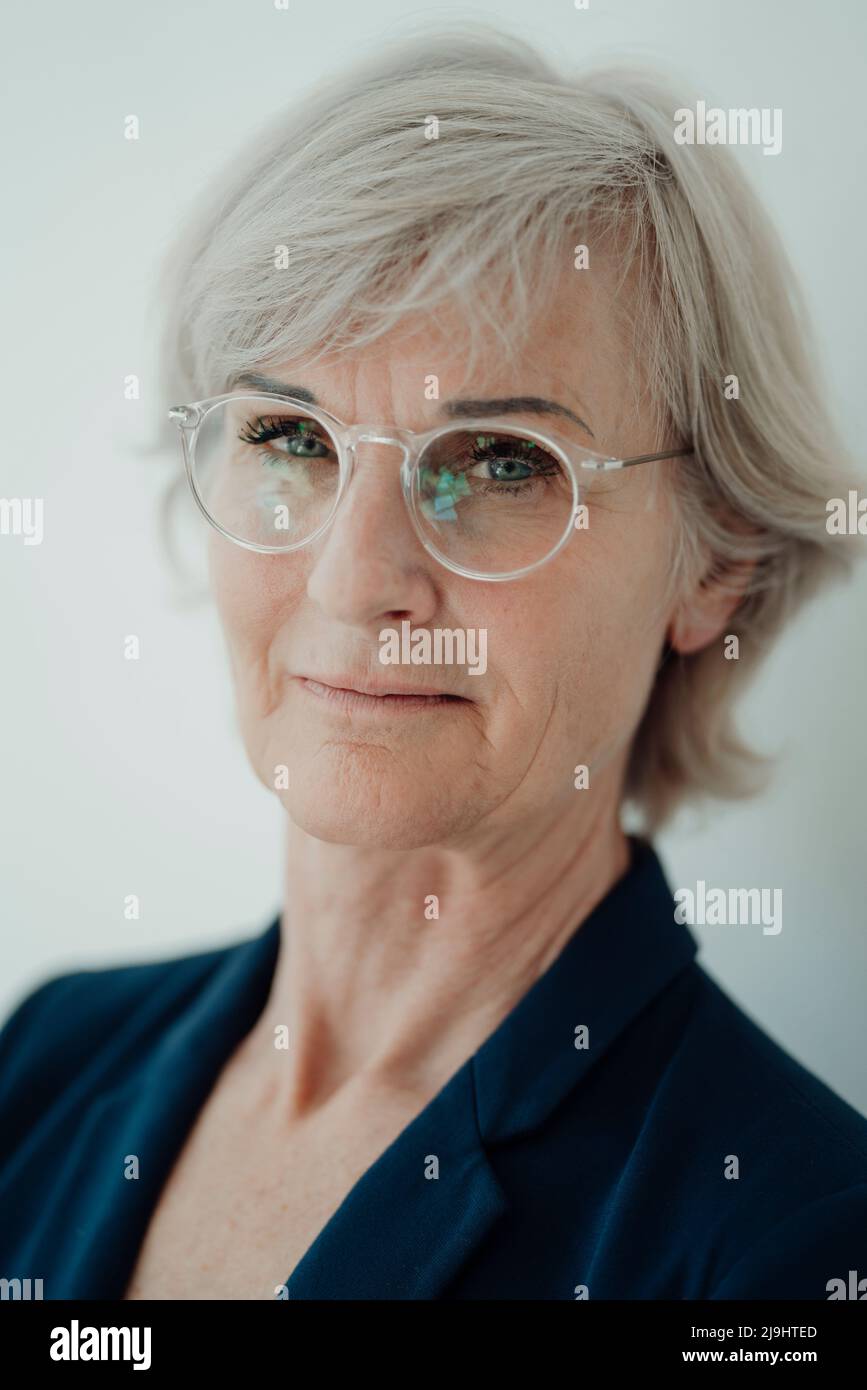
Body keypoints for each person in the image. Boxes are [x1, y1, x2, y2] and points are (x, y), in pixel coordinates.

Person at [1, 26, 865, 1301]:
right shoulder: (47, 1061)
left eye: (504, 461)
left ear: (714, 565)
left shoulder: (789, 1246)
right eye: (291, 435)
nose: (357, 580)